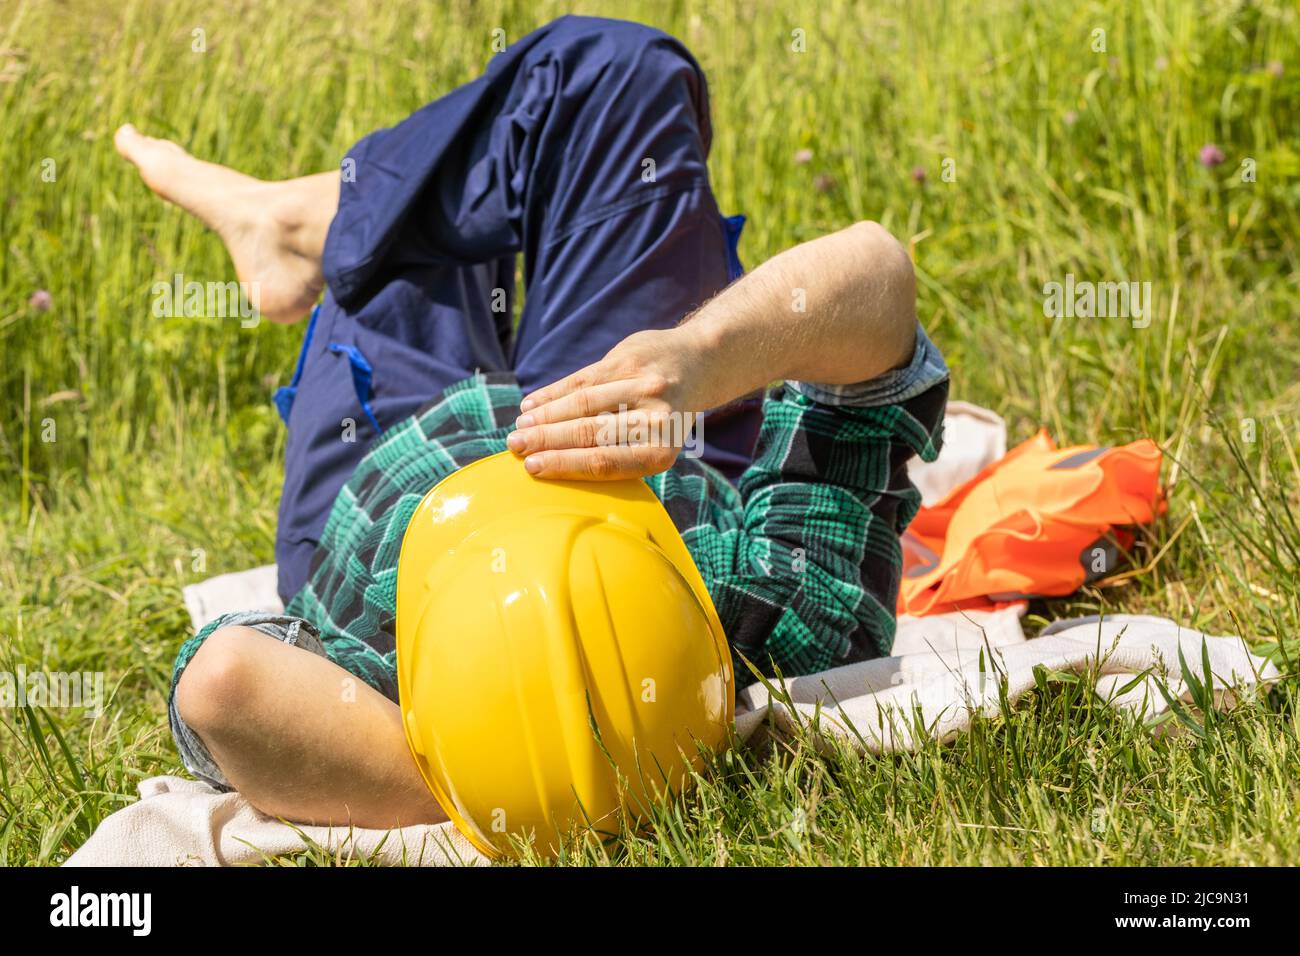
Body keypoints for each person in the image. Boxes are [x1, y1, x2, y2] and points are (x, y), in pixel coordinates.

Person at [116, 15, 949, 830]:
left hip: (375, 457)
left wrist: (475, 787)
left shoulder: (375, 677)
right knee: (620, 70)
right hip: (624, 409)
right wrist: (698, 358)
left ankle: (312, 227)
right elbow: (877, 281)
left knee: (405, 249)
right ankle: (320, 224)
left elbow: (219, 682)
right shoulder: (778, 621)